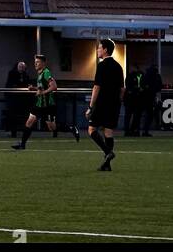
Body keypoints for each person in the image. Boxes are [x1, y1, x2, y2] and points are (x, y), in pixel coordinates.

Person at [12, 54, 79, 150]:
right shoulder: (39, 74)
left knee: (52, 128)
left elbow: (54, 86)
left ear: (43, 63)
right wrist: (34, 88)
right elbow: (42, 88)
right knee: (29, 122)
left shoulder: (46, 72)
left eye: (38, 62)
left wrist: (43, 92)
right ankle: (22, 144)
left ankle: (71, 128)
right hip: (39, 104)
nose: (35, 63)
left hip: (47, 105)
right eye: (35, 62)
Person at [86, 40, 125, 171]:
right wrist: (118, 101)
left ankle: (108, 152)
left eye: (100, 48)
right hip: (114, 104)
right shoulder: (118, 66)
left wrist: (91, 106)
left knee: (91, 130)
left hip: (102, 103)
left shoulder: (102, 66)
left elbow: (97, 87)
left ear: (106, 50)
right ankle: (107, 165)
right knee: (108, 132)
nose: (98, 50)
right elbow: (122, 89)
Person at [5, 60, 30, 137]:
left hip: (23, 99)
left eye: (23, 67)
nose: (22, 68)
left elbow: (26, 84)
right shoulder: (12, 73)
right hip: (13, 98)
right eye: (20, 67)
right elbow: (10, 84)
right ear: (17, 67)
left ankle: (24, 131)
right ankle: (13, 132)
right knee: (13, 116)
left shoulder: (26, 75)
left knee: (24, 116)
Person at [123, 64, 146, 136]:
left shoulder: (134, 76)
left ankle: (131, 130)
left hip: (133, 99)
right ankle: (131, 130)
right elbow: (129, 87)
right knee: (132, 116)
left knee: (132, 116)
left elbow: (129, 87)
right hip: (133, 99)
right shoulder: (136, 76)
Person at [143, 63, 163, 135]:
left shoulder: (147, 75)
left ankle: (145, 130)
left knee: (149, 115)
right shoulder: (156, 76)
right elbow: (159, 86)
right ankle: (146, 130)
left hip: (148, 97)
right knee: (151, 114)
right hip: (151, 97)